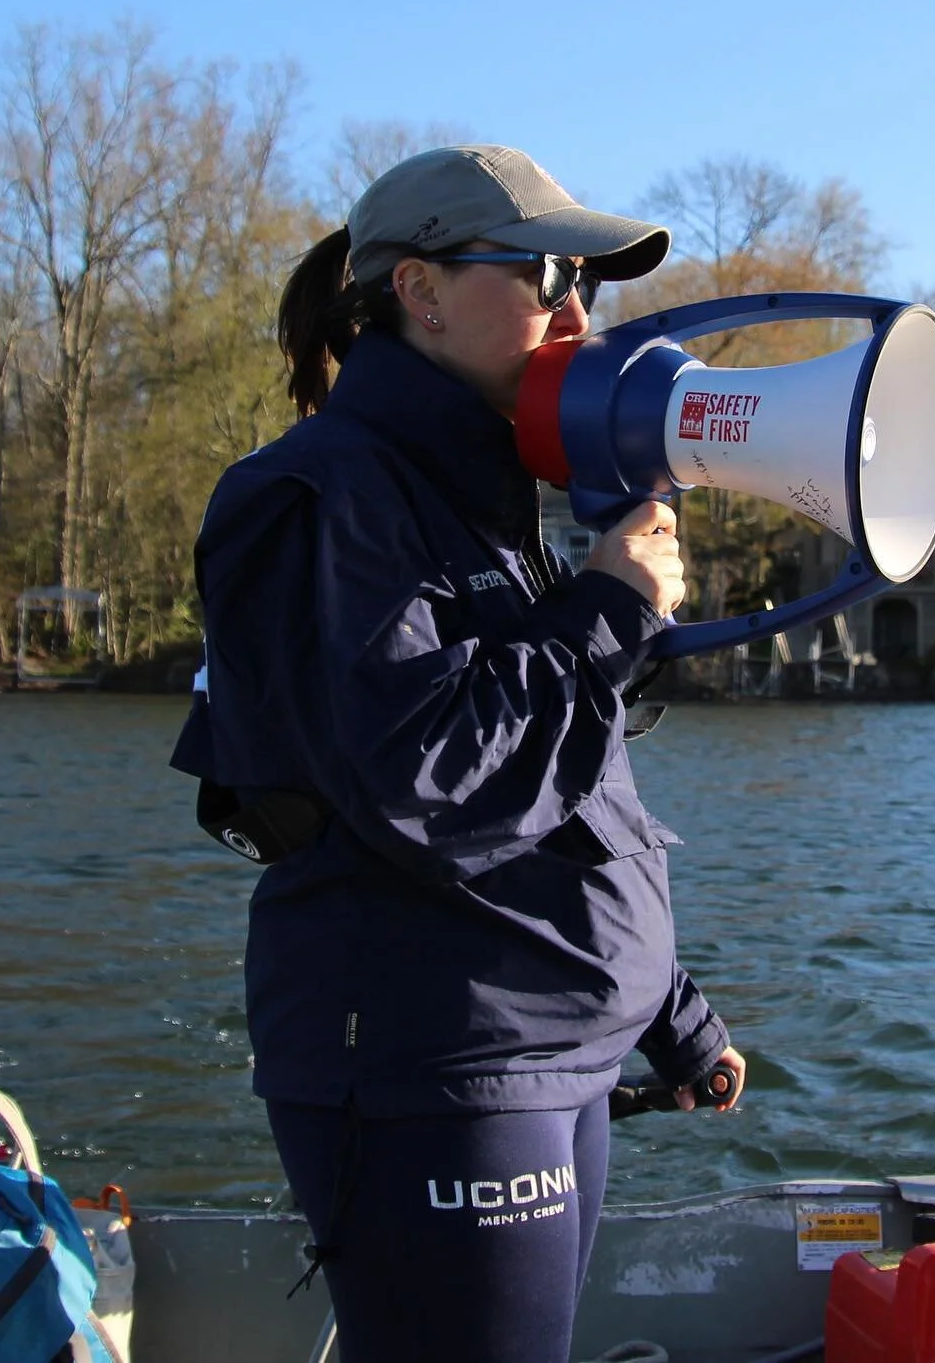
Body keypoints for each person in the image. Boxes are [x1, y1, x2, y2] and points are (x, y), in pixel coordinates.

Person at [171, 144, 744, 1363]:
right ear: (421, 290)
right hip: (436, 1059)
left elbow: (568, 798)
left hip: (552, 1048)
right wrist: (607, 610)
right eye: (547, 273)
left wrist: (674, 1013)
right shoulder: (317, 494)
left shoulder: (492, 505)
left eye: (589, 281)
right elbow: (424, 776)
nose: (577, 311)